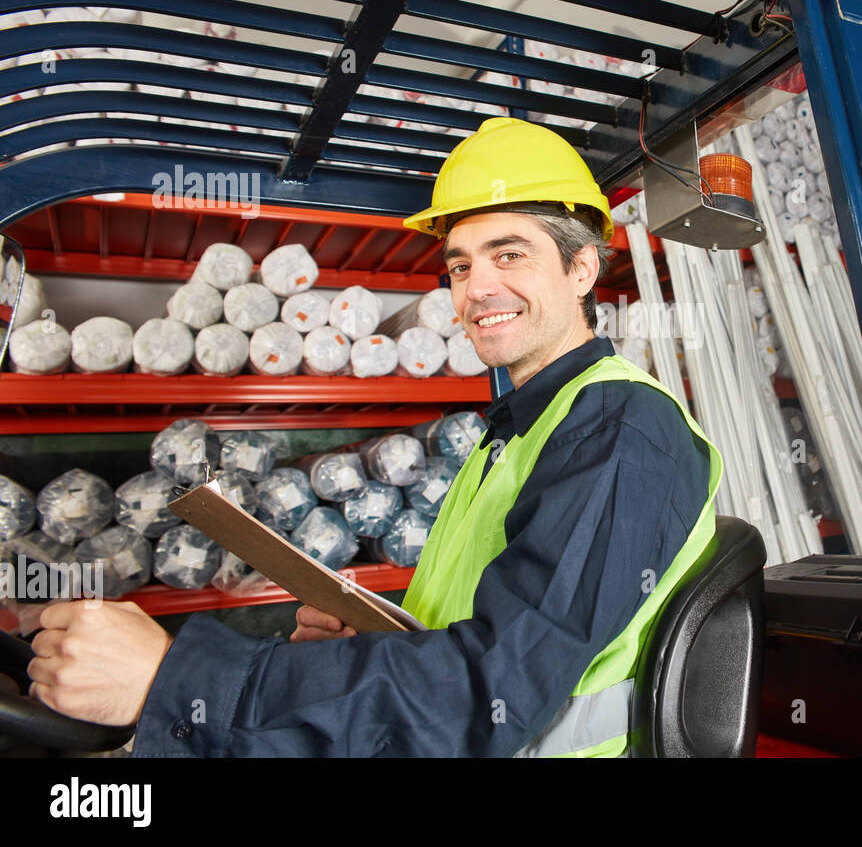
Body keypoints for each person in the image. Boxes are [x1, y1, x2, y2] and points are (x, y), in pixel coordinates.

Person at [26, 117, 723, 757]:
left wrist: (179, 680)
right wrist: (369, 639)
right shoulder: (518, 427)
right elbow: (475, 634)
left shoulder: (618, 428)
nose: (476, 288)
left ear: (581, 270)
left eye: (508, 255)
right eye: (459, 265)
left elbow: (491, 693)